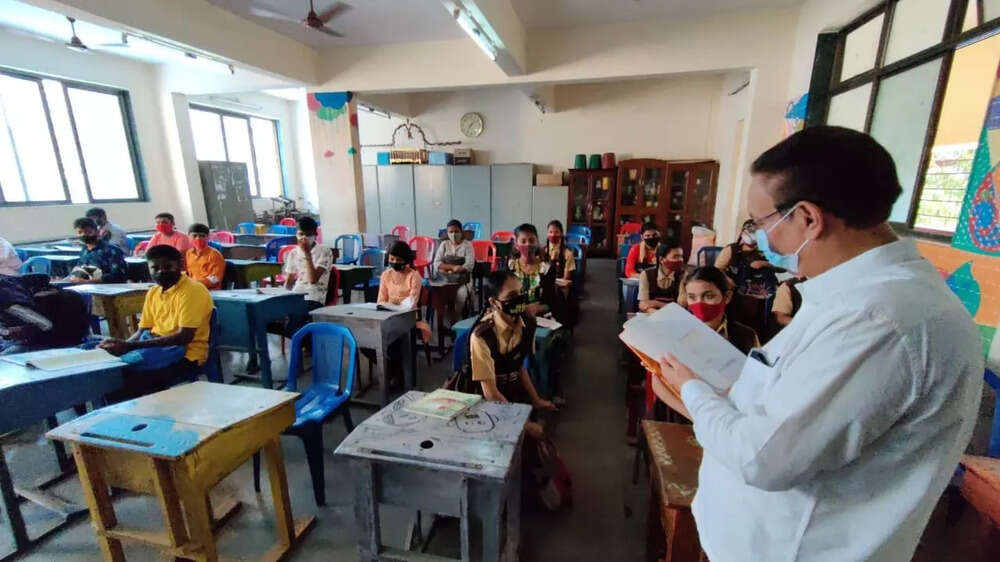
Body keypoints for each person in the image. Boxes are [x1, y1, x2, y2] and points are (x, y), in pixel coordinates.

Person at [651, 126, 983, 561]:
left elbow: (763, 459)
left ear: (808, 218)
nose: (761, 239)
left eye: (762, 224)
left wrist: (693, 390)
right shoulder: (852, 296)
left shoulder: (879, 319)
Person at [99, 245, 213, 400]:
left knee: (125, 379)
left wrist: (130, 346)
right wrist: (123, 346)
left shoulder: (192, 291)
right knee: (110, 368)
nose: (161, 272)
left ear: (180, 265)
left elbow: (183, 337)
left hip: (187, 353)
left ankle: (145, 410)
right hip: (154, 345)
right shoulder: (154, 292)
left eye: (167, 267)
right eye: (155, 268)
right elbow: (142, 330)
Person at [467, 271, 556, 436]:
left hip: (515, 393)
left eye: (521, 292)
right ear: (494, 302)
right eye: (512, 295)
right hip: (489, 406)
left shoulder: (528, 324)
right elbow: (491, 393)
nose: (520, 299)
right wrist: (524, 424)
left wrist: (536, 400)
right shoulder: (482, 336)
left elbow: (519, 367)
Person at [714, 218, 779, 334]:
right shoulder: (732, 250)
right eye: (750, 233)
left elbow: (782, 267)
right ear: (743, 233)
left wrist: (764, 263)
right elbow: (717, 269)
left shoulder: (766, 250)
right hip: (737, 293)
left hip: (761, 296)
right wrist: (728, 281)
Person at [283, 216, 334, 310]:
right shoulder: (293, 253)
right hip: (297, 293)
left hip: (315, 296)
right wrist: (283, 297)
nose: (304, 238)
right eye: (301, 234)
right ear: (296, 235)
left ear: (315, 235)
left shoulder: (325, 251)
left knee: (296, 312)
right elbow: (289, 280)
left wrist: (307, 254)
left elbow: (313, 280)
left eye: (308, 234)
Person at [508, 223, 556, 319]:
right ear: (516, 245)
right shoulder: (510, 267)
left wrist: (539, 308)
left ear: (537, 242)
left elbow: (551, 301)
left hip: (540, 317)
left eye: (531, 240)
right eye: (523, 241)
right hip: (514, 315)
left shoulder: (546, 269)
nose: (528, 244)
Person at [432, 219, 475, 323]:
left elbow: (469, 265)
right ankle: (442, 324)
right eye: (450, 232)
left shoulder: (467, 245)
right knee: (439, 296)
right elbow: (436, 263)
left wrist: (448, 268)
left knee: (461, 296)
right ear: (447, 233)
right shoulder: (444, 244)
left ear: (461, 232)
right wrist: (453, 267)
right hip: (445, 280)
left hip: (463, 281)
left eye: (456, 231)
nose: (453, 234)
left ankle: (454, 320)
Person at [70, 217, 127, 284]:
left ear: (97, 232)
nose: (84, 235)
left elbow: (118, 276)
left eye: (88, 232)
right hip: (84, 285)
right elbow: (80, 270)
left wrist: (87, 282)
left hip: (106, 287)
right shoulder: (84, 250)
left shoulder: (112, 250)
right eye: (80, 232)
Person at [638, 243, 684, 313]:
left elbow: (680, 307)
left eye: (681, 256)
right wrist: (658, 314)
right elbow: (643, 304)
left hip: (674, 316)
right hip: (651, 314)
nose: (680, 260)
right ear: (662, 259)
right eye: (675, 257)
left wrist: (655, 303)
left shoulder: (683, 276)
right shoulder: (646, 275)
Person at [185, 223, 225, 290]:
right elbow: (188, 274)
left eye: (202, 236)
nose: (198, 238)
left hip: (209, 290)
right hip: (193, 288)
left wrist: (195, 284)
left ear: (208, 237)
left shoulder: (214, 255)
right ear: (188, 237)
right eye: (194, 236)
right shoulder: (189, 253)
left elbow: (215, 279)